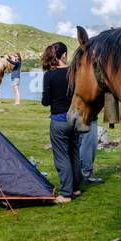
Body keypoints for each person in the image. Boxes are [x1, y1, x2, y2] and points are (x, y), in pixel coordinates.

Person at [40, 41, 84, 203]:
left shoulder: (49, 75)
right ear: (64, 55)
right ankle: (76, 188)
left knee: (61, 156)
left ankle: (66, 193)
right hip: (75, 117)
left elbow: (45, 101)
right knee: (74, 152)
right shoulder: (75, 72)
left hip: (59, 120)